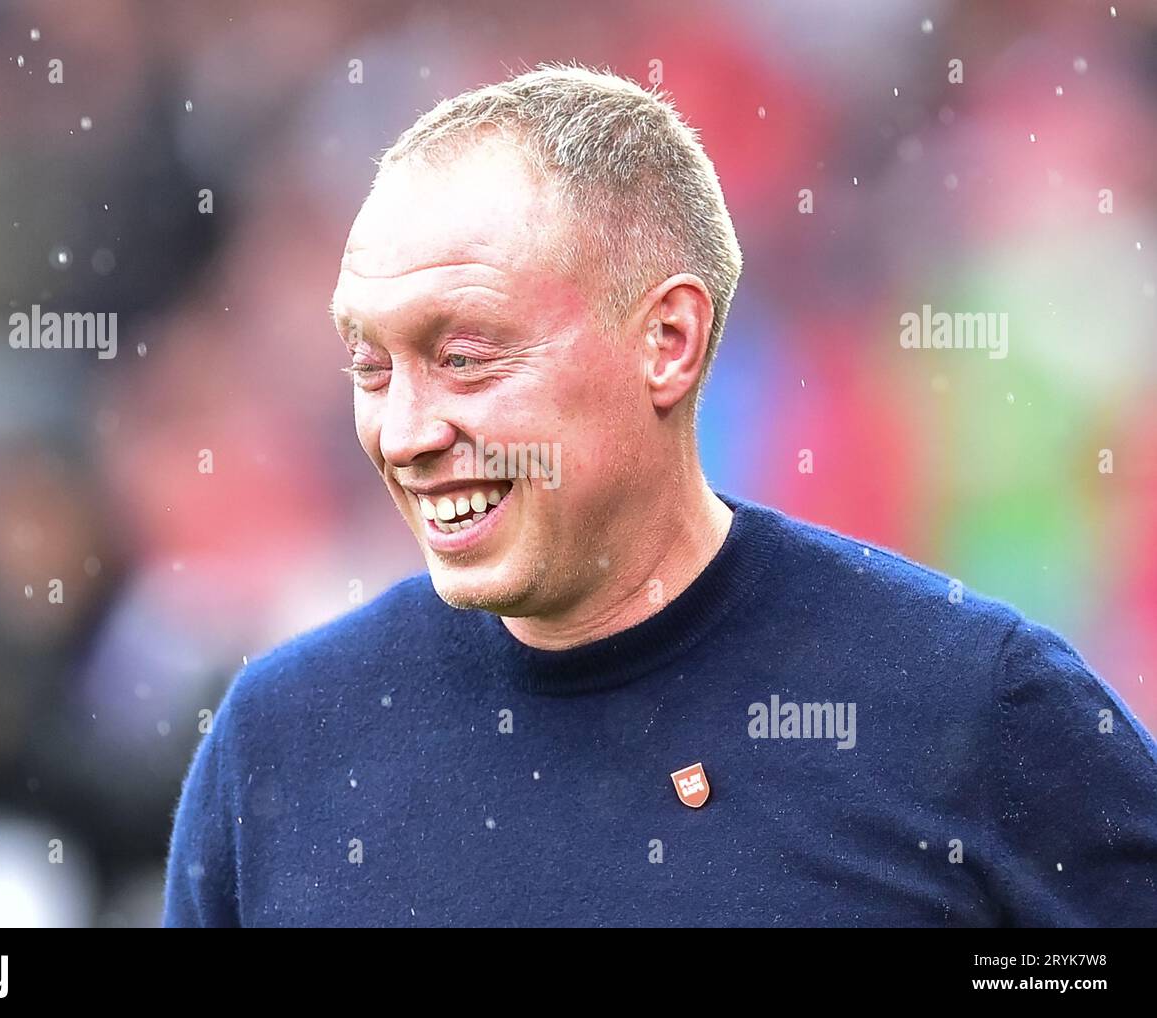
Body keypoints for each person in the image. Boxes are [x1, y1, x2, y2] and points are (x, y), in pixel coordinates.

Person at [163, 65, 1157, 927]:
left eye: (463, 356)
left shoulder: (970, 706)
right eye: (370, 366)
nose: (407, 431)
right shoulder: (281, 741)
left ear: (667, 342)